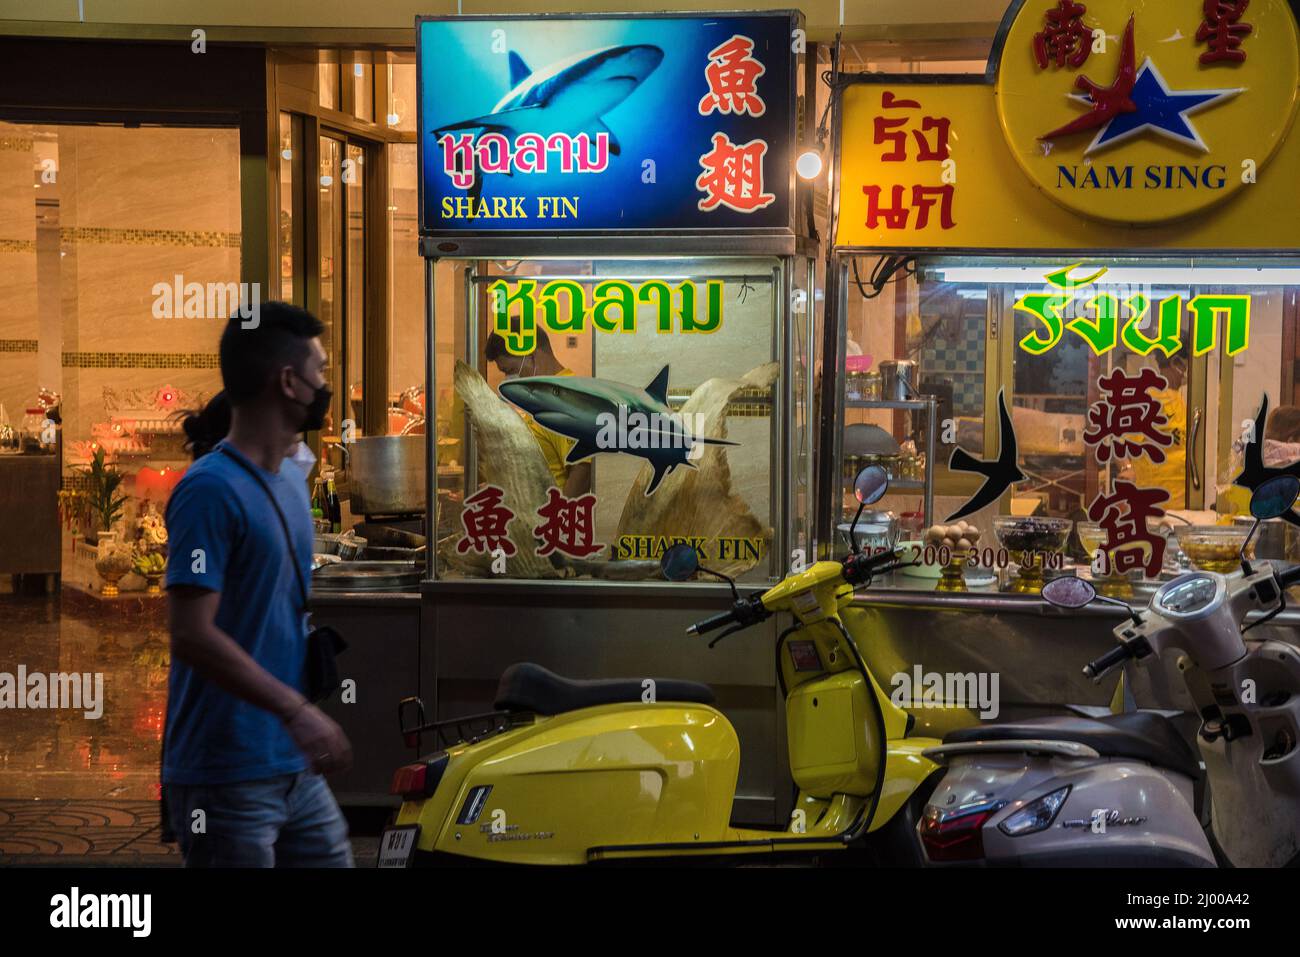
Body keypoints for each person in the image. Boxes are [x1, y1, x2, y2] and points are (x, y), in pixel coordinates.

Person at [163, 302, 354, 868]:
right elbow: (191, 634)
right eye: (320, 371)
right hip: (226, 770)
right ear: (288, 382)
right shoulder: (209, 491)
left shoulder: (292, 482)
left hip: (290, 763)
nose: (326, 384)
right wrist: (296, 709)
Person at [485, 326, 592, 496]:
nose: (509, 379)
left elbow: (583, 469)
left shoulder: (563, 398)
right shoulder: (543, 395)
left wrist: (559, 517)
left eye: (511, 371)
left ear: (533, 355)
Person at [1130, 349, 1188, 509]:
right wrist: (1127, 469)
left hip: (1185, 503)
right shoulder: (1148, 401)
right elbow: (1123, 444)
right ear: (1175, 362)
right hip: (1154, 503)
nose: (1187, 370)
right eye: (1186, 363)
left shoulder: (1185, 400)